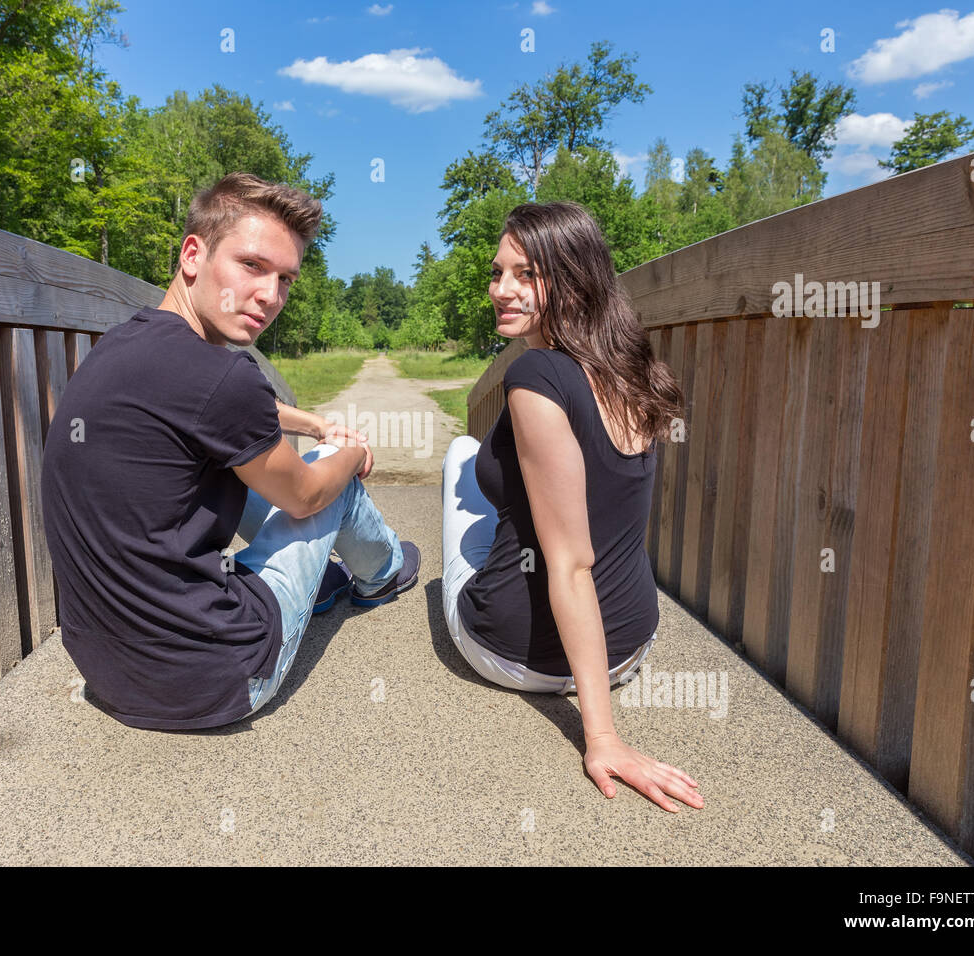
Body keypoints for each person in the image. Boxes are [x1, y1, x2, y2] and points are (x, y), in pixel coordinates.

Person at [41, 172, 419, 731]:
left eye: (286, 279)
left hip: (110, 673)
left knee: (245, 458)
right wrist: (347, 450)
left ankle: (328, 579)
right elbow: (305, 496)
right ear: (193, 254)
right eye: (252, 266)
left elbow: (228, 413)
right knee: (327, 481)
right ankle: (382, 572)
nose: (271, 296)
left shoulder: (125, 345)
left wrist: (311, 422)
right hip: (216, 678)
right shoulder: (220, 375)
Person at [440, 201, 703, 813]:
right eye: (498, 272)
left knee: (460, 454)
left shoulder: (535, 376)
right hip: (629, 645)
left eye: (525, 274)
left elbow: (572, 564)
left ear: (570, 278)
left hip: (514, 654)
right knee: (509, 492)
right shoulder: (635, 369)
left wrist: (603, 738)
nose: (500, 289)